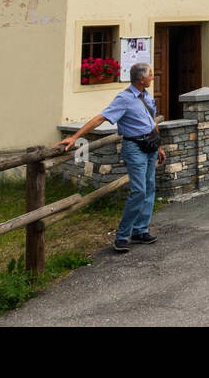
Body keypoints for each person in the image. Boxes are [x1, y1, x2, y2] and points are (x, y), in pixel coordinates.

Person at [57, 62, 165, 252]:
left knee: (149, 188)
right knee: (139, 190)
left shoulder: (147, 95)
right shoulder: (124, 98)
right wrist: (75, 137)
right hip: (135, 147)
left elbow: (152, 122)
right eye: (150, 75)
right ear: (141, 79)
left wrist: (160, 147)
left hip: (151, 146)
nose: (152, 77)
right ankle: (122, 235)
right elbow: (100, 118)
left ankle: (140, 230)